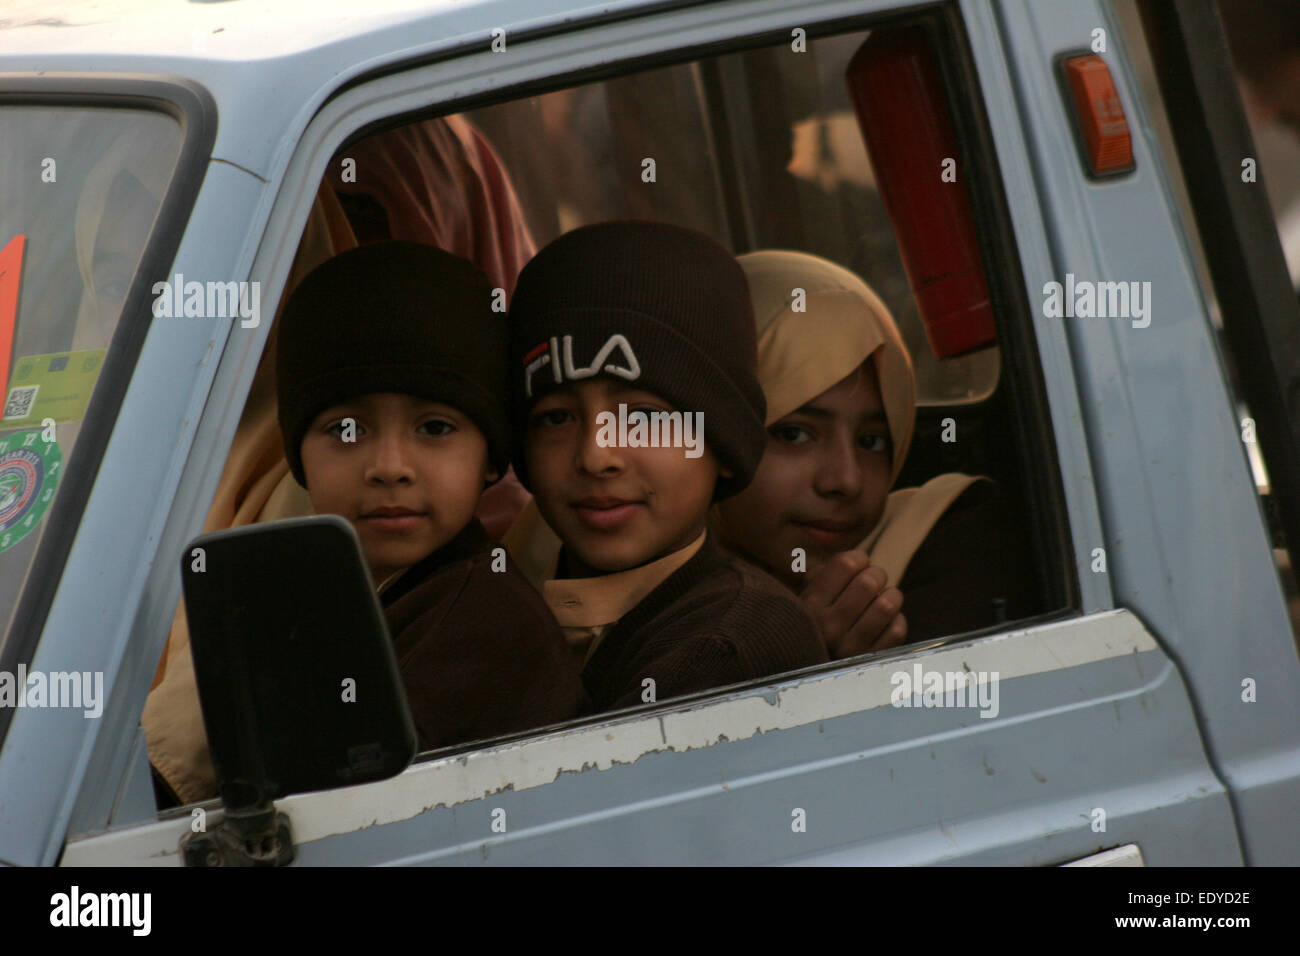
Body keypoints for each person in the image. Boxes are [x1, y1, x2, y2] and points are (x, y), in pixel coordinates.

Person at [505, 221, 828, 713]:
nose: (596, 454)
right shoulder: (518, 611)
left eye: (644, 417)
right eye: (555, 417)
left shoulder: (727, 651)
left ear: (720, 441)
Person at [712, 249, 1038, 657]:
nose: (846, 481)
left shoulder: (949, 547)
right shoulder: (649, 594)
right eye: (794, 433)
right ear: (712, 434)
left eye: (872, 442)